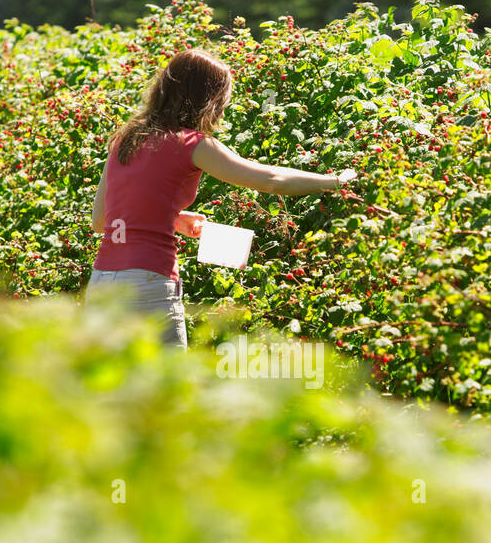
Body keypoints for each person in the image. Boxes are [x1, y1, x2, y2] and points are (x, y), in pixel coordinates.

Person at [85, 48, 354, 350]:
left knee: (109, 390)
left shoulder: (126, 137)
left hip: (103, 281)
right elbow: (269, 179)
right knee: (166, 391)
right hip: (148, 283)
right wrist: (334, 182)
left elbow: (101, 221)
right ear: (206, 99)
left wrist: (170, 218)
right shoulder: (191, 144)